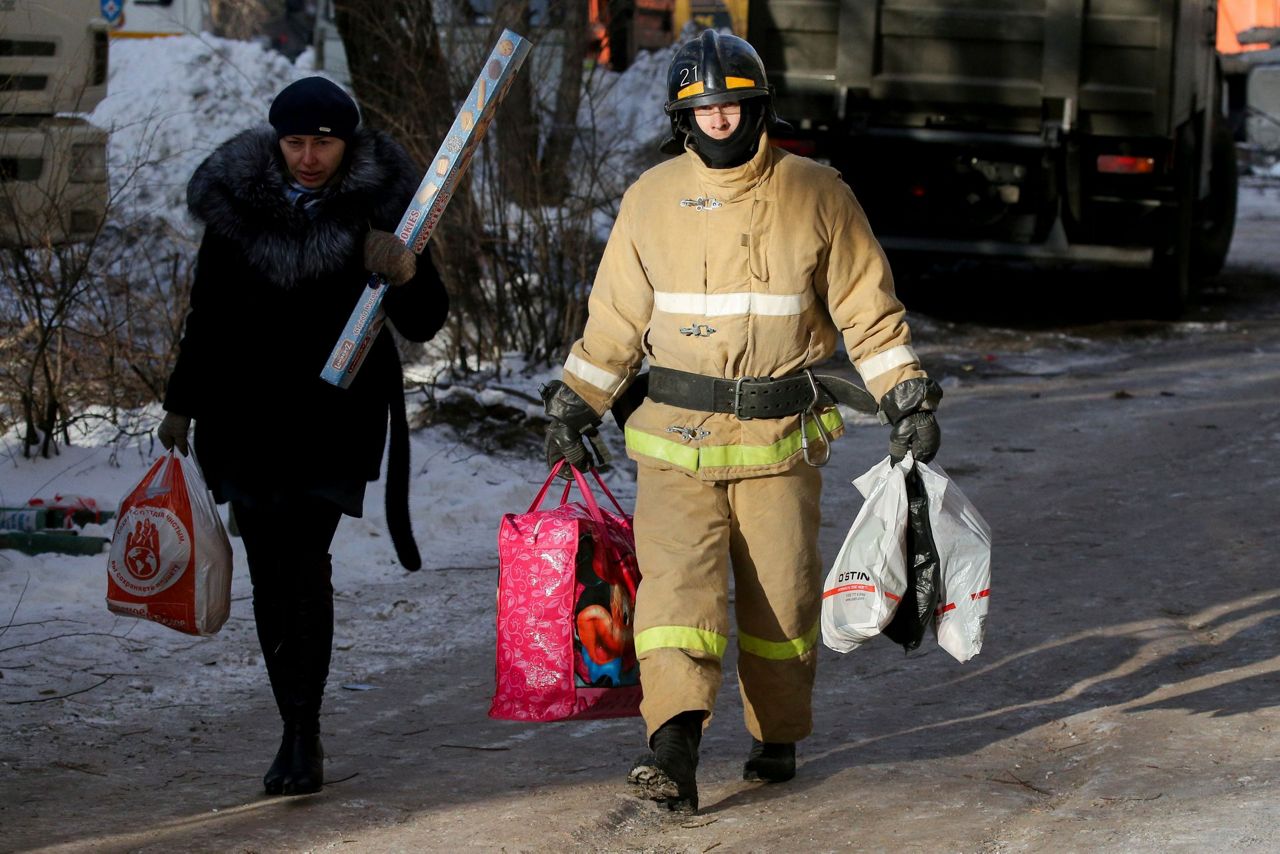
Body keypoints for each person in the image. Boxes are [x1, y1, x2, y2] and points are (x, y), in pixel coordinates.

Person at [541, 30, 942, 814]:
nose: (719, 119)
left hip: (778, 445)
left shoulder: (817, 192)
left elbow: (868, 310)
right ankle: (674, 750)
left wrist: (906, 394)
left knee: (780, 607)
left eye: (731, 104)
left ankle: (776, 732)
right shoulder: (650, 198)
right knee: (674, 602)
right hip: (673, 445)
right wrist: (576, 401)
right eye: (704, 107)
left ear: (756, 106)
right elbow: (616, 319)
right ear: (682, 117)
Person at [156, 76, 449, 796]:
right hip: (244, 418)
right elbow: (209, 315)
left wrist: (404, 271)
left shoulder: (381, 210)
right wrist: (181, 404)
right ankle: (292, 721)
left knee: (303, 562)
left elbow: (425, 321)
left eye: (323, 142)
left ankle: (303, 731)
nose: (309, 156)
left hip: (332, 418)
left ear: (347, 143)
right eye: (296, 142)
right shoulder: (236, 210)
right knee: (267, 572)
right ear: (275, 141)